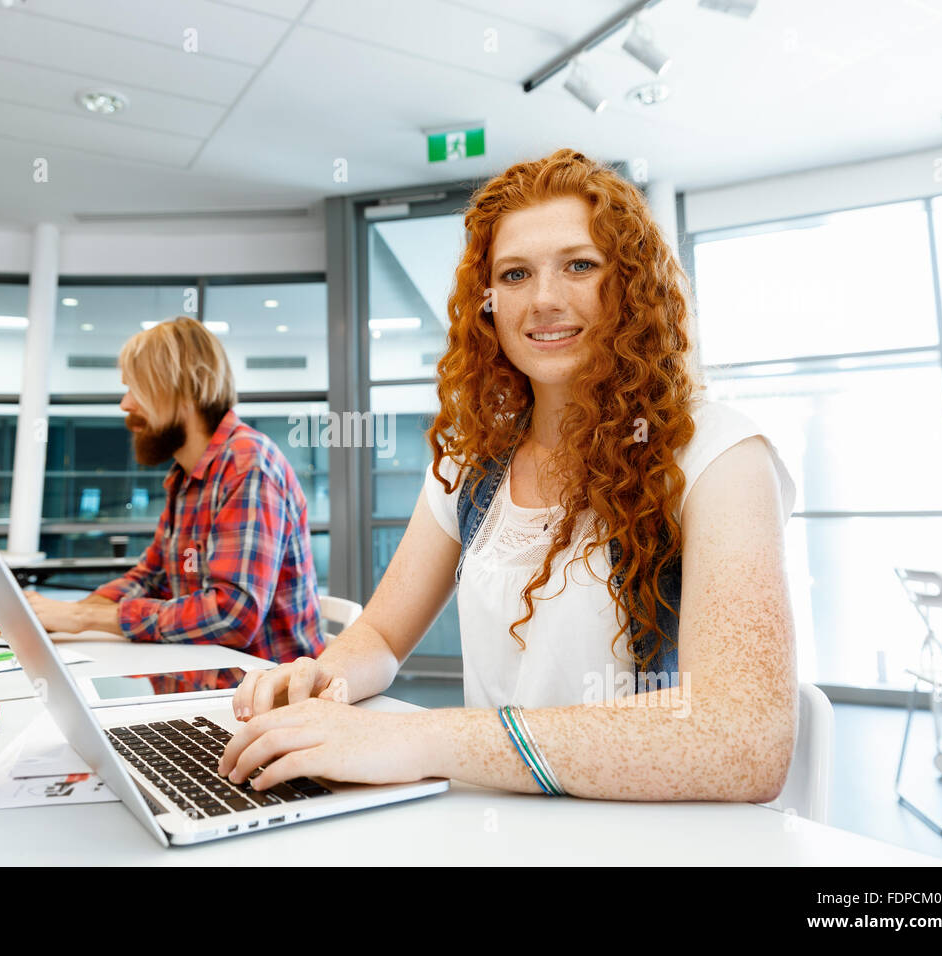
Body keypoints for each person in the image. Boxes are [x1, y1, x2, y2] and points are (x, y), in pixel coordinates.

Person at [217, 147, 800, 803]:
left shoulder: (720, 455)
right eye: (516, 275)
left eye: (580, 265)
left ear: (631, 286)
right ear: (488, 303)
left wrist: (424, 741)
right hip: (489, 827)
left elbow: (742, 739)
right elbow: (379, 636)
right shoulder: (469, 462)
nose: (544, 300)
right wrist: (321, 681)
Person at [0, 317, 324, 668]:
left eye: (135, 388)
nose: (125, 404)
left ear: (180, 390)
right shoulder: (185, 476)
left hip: (265, 690)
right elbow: (151, 576)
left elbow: (232, 616)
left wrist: (83, 619)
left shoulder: (248, 466)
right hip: (203, 674)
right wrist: (64, 612)